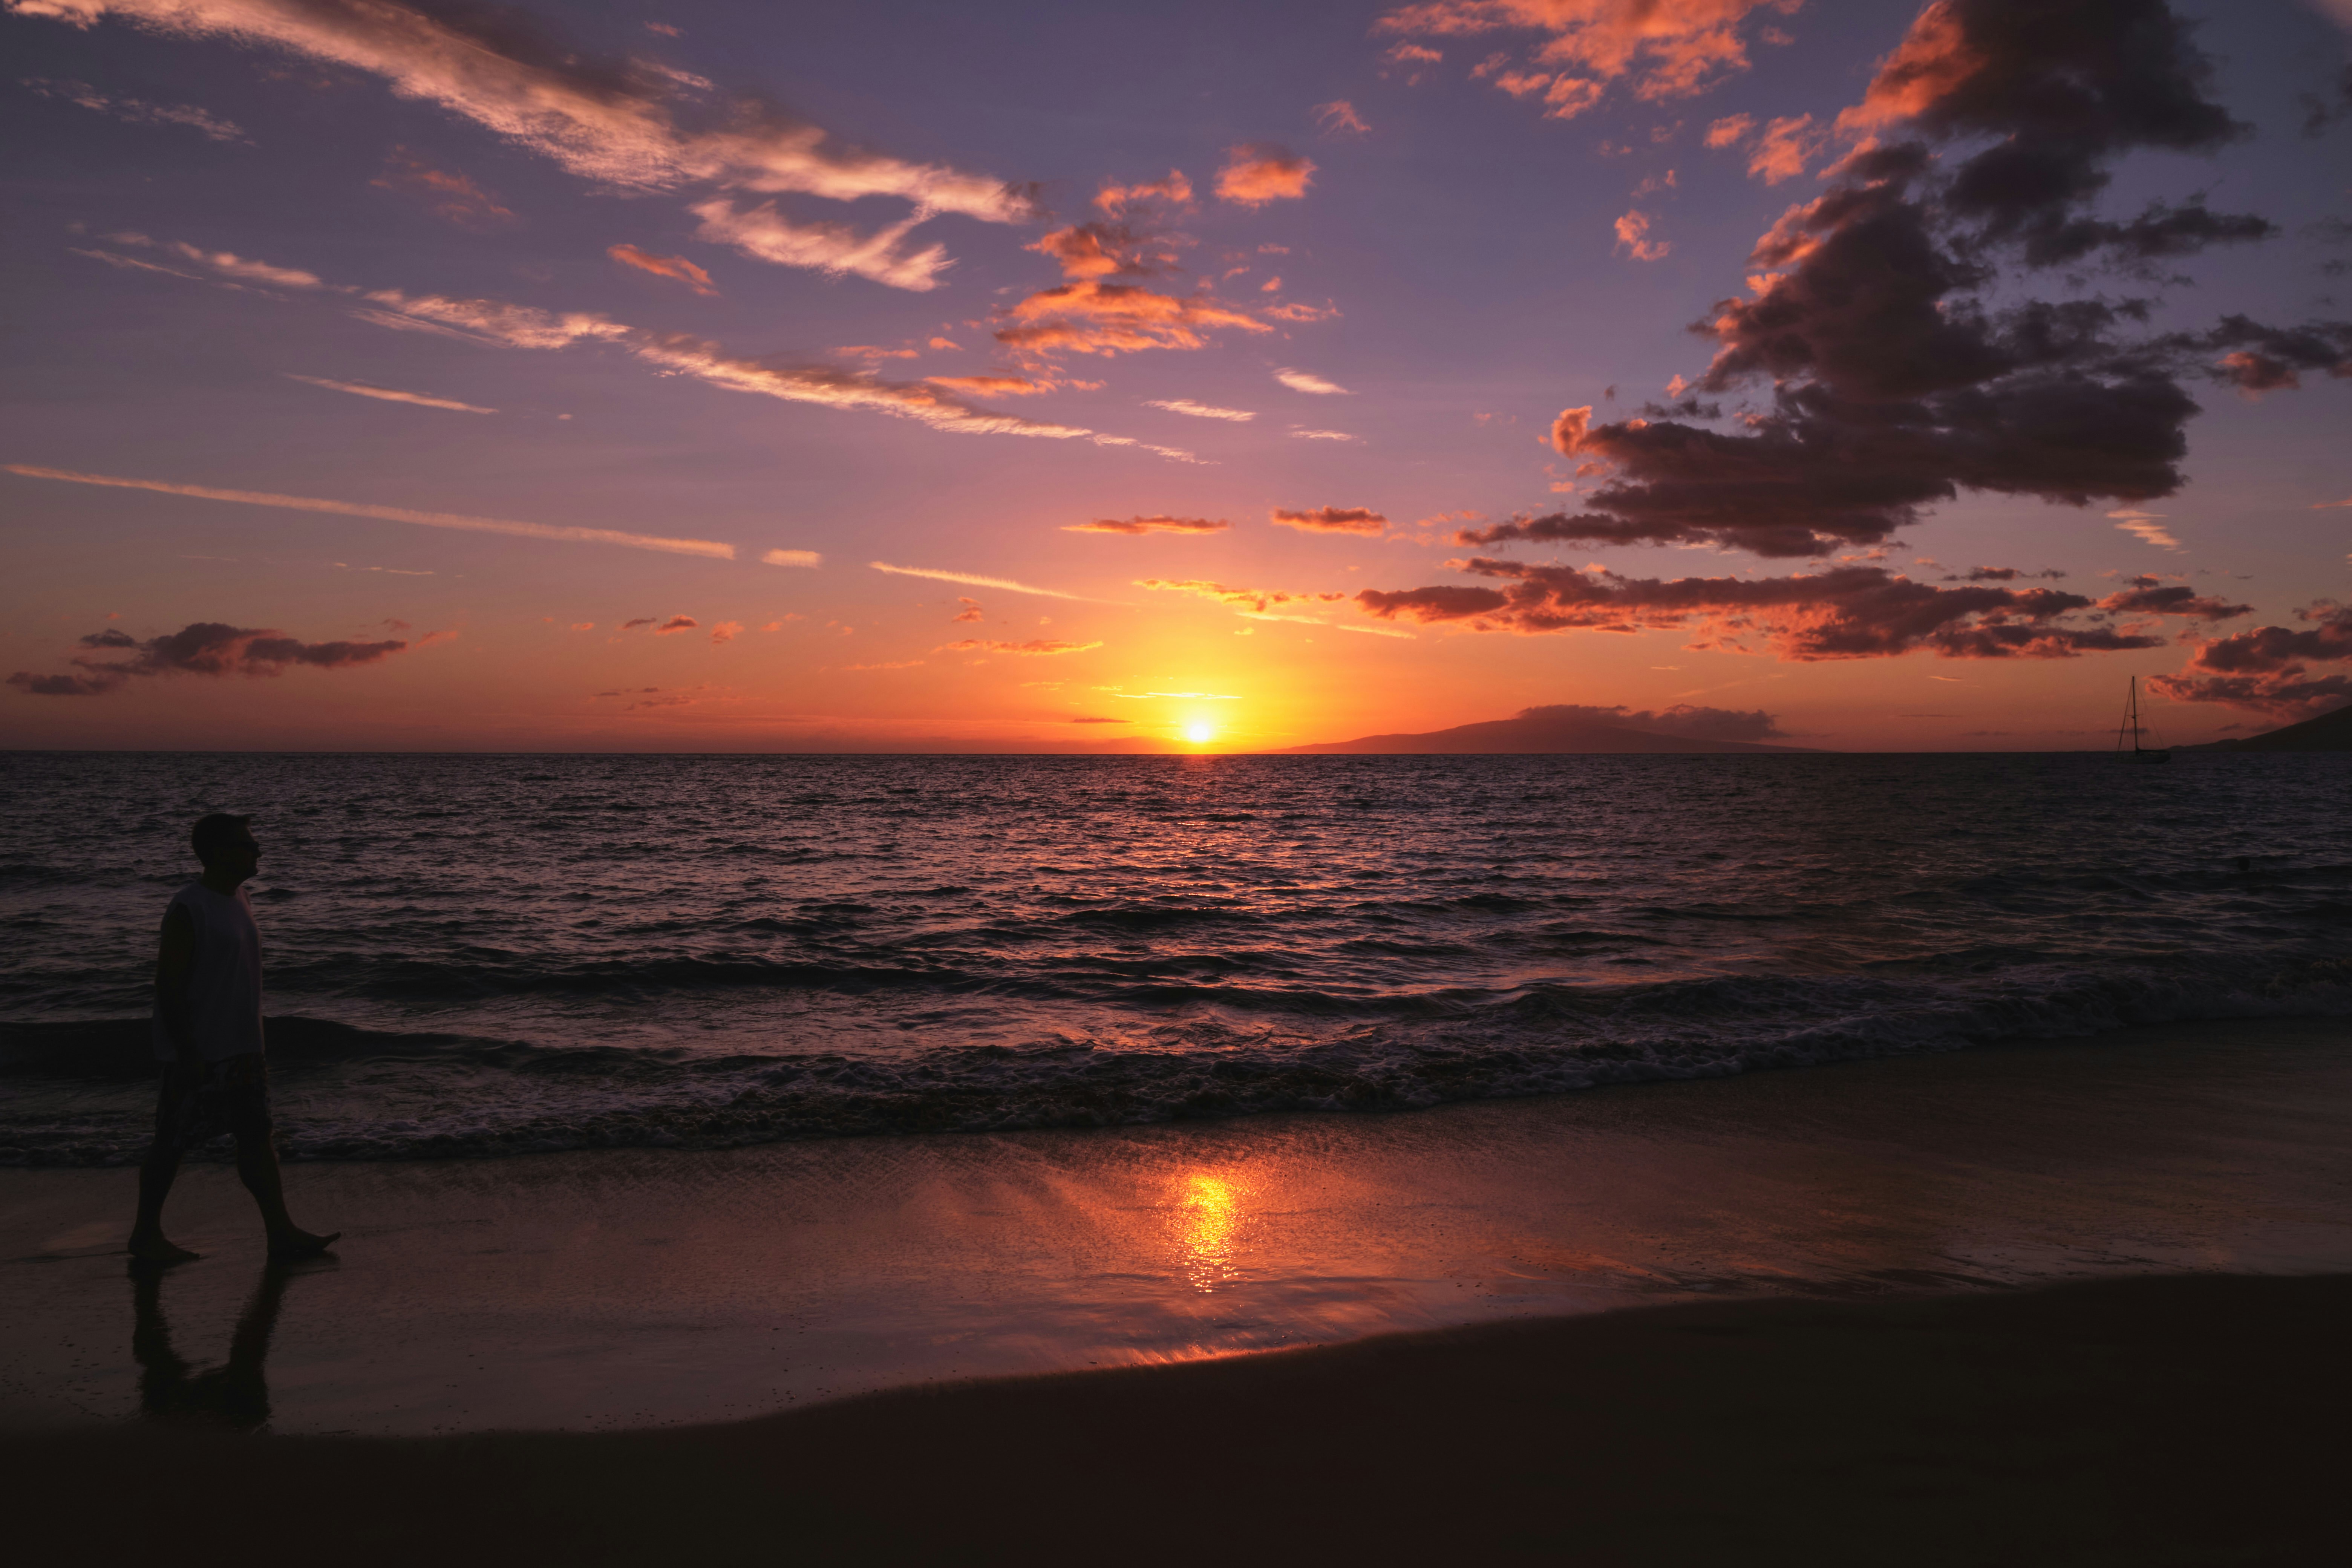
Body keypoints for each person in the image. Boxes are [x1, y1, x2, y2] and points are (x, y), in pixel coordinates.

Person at [128, 812, 338, 1264]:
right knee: (171, 1142)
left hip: (244, 1048)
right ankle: (145, 1234)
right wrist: (187, 1052)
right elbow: (168, 983)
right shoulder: (190, 906)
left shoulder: (240, 897)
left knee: (257, 1137)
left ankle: (280, 1231)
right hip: (200, 1051)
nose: (258, 850)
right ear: (220, 852)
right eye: (248, 844)